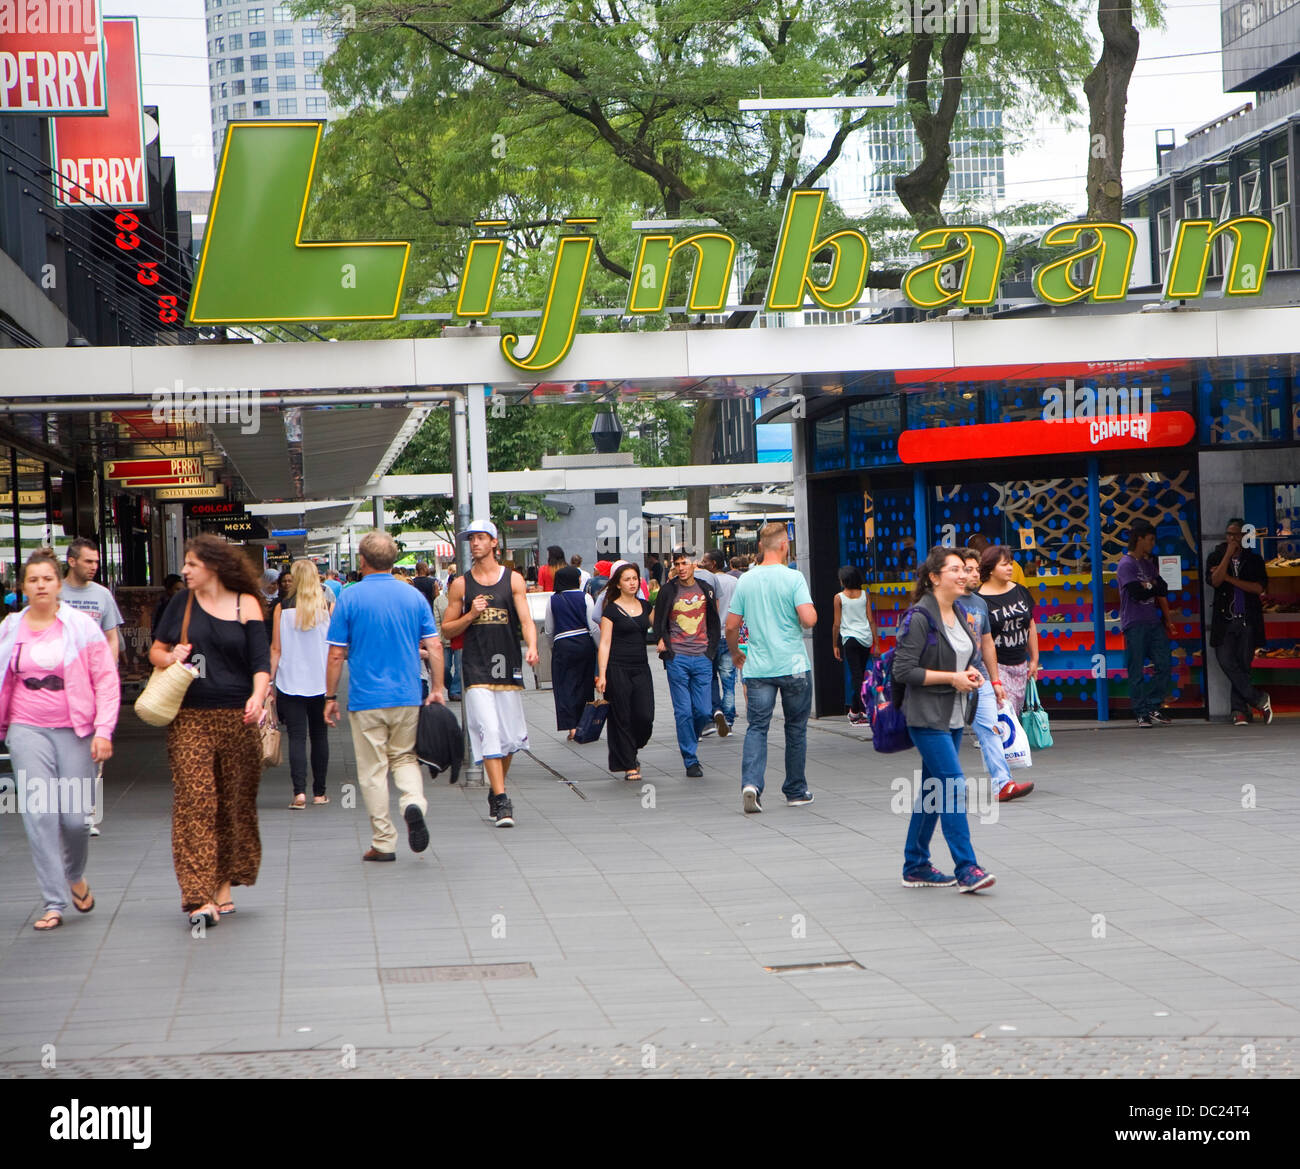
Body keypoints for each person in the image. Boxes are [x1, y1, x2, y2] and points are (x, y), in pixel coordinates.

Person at [150, 534, 270, 927]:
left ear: (214, 566)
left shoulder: (246, 604)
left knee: (233, 803)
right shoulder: (180, 605)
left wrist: (258, 697)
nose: (184, 570)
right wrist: (171, 656)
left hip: (238, 716)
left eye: (192, 564)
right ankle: (198, 896)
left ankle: (222, 884)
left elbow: (260, 663)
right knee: (196, 801)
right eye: (185, 564)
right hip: (191, 716)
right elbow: (155, 651)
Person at [1, 549, 119, 931]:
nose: (40, 586)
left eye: (47, 579)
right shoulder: (10, 627)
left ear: (58, 584)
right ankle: (54, 901)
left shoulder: (80, 627)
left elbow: (105, 679)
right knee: (40, 815)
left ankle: (75, 874)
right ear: (23, 587)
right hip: (26, 728)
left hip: (74, 728)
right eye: (33, 580)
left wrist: (104, 730)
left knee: (74, 819)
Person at [324, 531, 443, 861]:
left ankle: (384, 842)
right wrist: (437, 689)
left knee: (373, 770)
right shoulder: (413, 597)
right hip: (407, 695)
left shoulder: (349, 597)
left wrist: (330, 696)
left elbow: (336, 655)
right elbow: (434, 645)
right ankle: (414, 803)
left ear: (361, 561)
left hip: (366, 699)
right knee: (404, 758)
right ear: (393, 560)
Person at [895, 546, 997, 892]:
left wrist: (969, 674)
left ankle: (915, 864)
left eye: (965, 570)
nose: (963, 575)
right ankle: (967, 867)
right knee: (953, 785)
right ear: (934, 577)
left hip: (953, 715)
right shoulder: (919, 618)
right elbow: (903, 669)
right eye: (955, 570)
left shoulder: (959, 612)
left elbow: (959, 658)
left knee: (931, 792)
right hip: (926, 717)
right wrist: (951, 678)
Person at [440, 520, 539, 827]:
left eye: (481, 538)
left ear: (494, 542)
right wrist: (471, 614)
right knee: (490, 731)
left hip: (507, 665)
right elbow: (446, 628)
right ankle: (502, 800)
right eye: (471, 539)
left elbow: (525, 620)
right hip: (475, 667)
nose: (475, 544)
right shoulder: (461, 585)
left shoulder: (513, 580)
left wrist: (532, 646)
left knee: (510, 740)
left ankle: (496, 790)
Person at [726, 523, 816, 811]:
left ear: (760, 547)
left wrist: (736, 653)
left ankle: (751, 784)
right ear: (784, 545)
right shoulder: (794, 578)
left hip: (758, 668)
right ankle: (795, 790)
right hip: (793, 665)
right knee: (796, 729)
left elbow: (731, 625)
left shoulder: (746, 580)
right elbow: (809, 619)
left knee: (757, 728)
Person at [958, 548, 1031, 803]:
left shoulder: (979, 603)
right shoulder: (948, 602)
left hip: (981, 678)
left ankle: (1003, 783)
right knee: (947, 733)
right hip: (950, 679)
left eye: (976, 569)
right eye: (968, 569)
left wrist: (995, 680)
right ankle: (947, 782)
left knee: (991, 729)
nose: (974, 574)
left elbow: (987, 643)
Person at [271, 559, 335, 809]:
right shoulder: (329, 607)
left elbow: (275, 649)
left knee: (296, 737)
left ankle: (299, 794)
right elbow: (335, 650)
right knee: (320, 736)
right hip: (321, 682)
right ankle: (319, 793)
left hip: (290, 681)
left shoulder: (281, 608)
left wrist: (268, 681)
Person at [653, 546, 723, 777]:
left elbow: (714, 620)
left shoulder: (706, 589)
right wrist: (662, 640)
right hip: (678, 658)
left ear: (695, 564)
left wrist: (710, 650)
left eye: (685, 563)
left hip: (702, 656)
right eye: (677, 563)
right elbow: (659, 619)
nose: (681, 568)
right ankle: (690, 759)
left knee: (703, 712)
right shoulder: (667, 591)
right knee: (683, 712)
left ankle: (691, 739)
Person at [1207, 518, 1271, 726]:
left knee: (1243, 666)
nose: (1232, 538)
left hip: (1247, 620)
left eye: (1236, 535)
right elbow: (1215, 580)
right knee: (1226, 661)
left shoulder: (1254, 560)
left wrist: (1230, 578)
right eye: (1228, 534)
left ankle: (1239, 711)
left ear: (1244, 536)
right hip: (1225, 622)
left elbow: (1258, 588)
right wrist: (1227, 555)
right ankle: (1259, 699)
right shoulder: (1216, 556)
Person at [1116, 519, 1178, 727]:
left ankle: (1152, 705)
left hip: (1153, 621)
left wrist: (1150, 586)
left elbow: (1164, 588)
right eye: (1150, 539)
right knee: (1136, 670)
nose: (1153, 544)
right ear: (1140, 539)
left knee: (1164, 664)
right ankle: (1141, 711)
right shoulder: (1126, 564)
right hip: (1134, 623)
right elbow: (1136, 593)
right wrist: (1151, 586)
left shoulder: (1148, 564)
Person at [596, 562, 654, 781]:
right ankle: (629, 763)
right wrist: (602, 675)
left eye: (635, 578)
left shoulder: (646, 606)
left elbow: (663, 626)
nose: (632, 582)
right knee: (622, 716)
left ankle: (632, 746)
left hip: (641, 668)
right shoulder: (611, 610)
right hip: (617, 668)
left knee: (645, 716)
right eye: (627, 579)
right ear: (618, 584)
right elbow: (604, 643)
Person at [977, 544, 1039, 718]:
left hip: (1020, 664)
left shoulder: (1020, 591)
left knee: (1016, 715)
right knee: (1004, 714)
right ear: (990, 569)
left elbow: (1030, 624)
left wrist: (1034, 659)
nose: (1010, 568)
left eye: (1010, 563)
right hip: (995, 666)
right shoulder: (979, 599)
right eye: (1004, 564)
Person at [544, 564, 597, 739]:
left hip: (563, 646)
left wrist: (554, 647)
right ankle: (584, 723)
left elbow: (549, 630)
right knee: (585, 684)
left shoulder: (553, 600)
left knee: (564, 686)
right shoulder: (586, 597)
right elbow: (593, 625)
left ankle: (571, 727)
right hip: (584, 644)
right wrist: (598, 646)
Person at [61, 538, 123, 661]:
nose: (94, 567)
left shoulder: (103, 594)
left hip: (94, 670)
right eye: (88, 562)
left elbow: (112, 638)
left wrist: (109, 671)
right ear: (72, 562)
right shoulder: (54, 592)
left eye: (96, 562)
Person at [831, 564, 878, 727]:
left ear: (844, 580)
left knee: (856, 676)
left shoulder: (839, 597)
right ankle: (855, 711)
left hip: (849, 639)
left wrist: (834, 645)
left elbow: (836, 624)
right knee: (861, 675)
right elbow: (871, 620)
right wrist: (876, 643)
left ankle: (862, 711)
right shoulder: (865, 595)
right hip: (865, 638)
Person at [700, 550, 739, 732]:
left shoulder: (706, 582)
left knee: (710, 678)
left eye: (705, 561)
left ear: (713, 564)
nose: (701, 563)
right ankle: (729, 719)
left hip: (711, 637)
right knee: (729, 680)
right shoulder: (735, 582)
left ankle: (715, 711)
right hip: (730, 636)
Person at [433, 573, 462, 700]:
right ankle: (451, 687)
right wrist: (439, 638)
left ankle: (455, 690)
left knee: (460, 667)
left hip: (460, 637)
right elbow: (437, 621)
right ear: (449, 584)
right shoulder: (439, 601)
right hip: (445, 640)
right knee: (444, 667)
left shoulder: (463, 599)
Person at [152, 574, 184, 638]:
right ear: (169, 590)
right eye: (177, 589)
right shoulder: (164, 607)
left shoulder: (187, 606)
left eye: (183, 589)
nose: (181, 592)